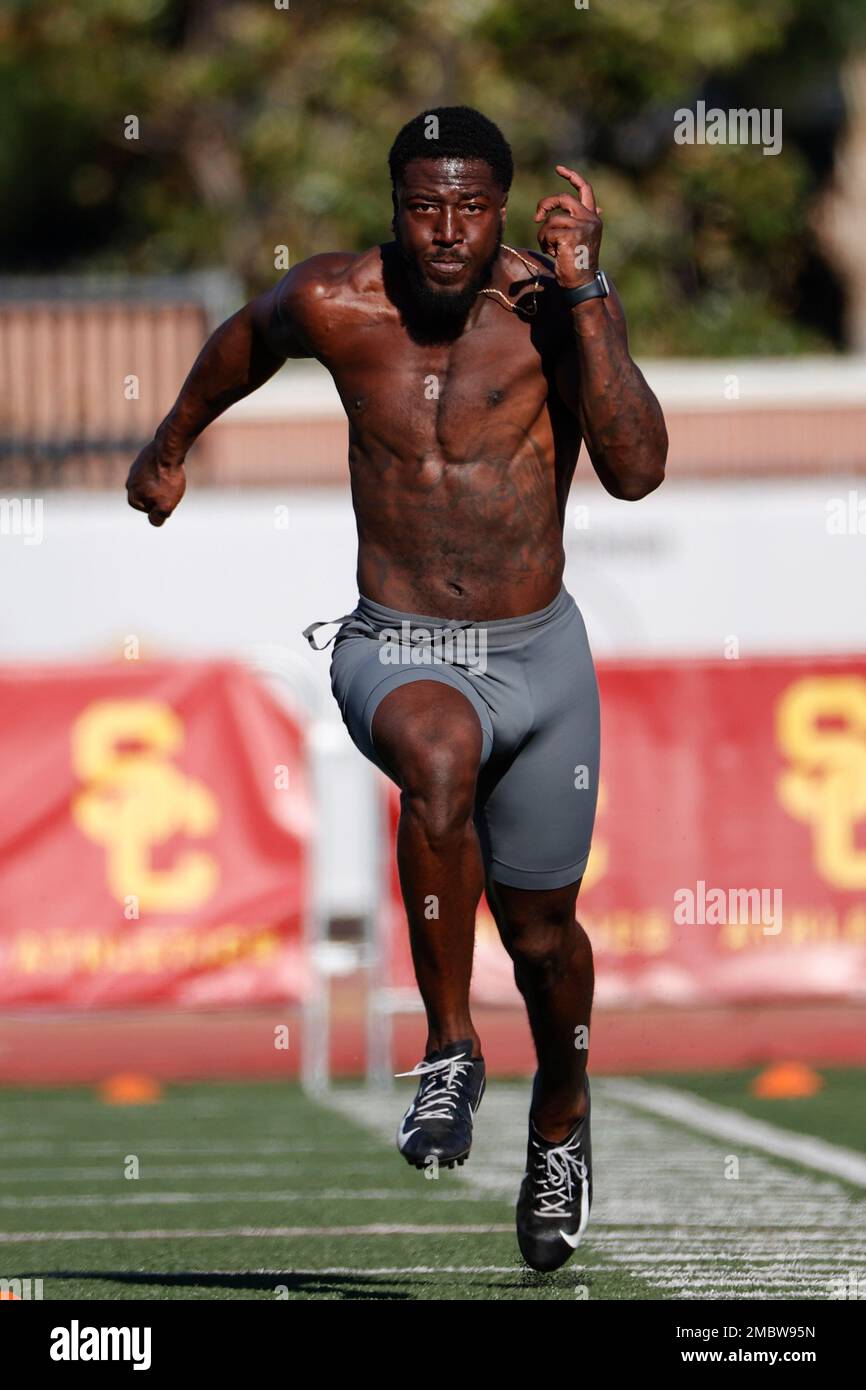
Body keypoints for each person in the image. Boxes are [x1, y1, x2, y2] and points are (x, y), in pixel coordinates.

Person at [126, 105, 667, 1272]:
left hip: (537, 655)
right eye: (424, 205)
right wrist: (171, 441)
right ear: (394, 207)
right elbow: (245, 337)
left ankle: (561, 1116)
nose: (446, 230)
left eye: (471, 206)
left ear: (504, 209)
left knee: (541, 936)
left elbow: (635, 469)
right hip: (396, 639)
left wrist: (586, 293)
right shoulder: (335, 299)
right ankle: (448, 1048)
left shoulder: (552, 308)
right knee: (433, 757)